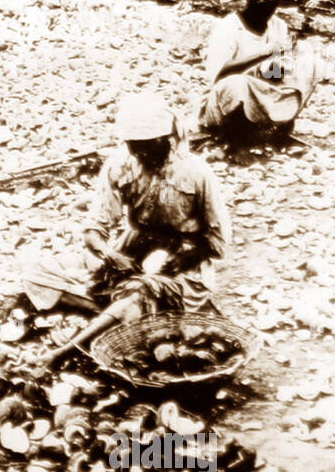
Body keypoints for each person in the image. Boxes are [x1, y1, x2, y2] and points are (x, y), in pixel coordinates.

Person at [23, 92, 231, 349]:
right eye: (133, 145)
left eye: (148, 144)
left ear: (164, 138)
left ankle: (122, 314)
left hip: (182, 258)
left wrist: (182, 259)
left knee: (143, 291)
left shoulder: (196, 172)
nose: (140, 152)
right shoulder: (120, 164)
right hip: (133, 246)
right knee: (37, 272)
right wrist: (110, 255)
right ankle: (123, 314)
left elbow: (218, 242)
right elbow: (94, 227)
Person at [198, 0, 318, 143]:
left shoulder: (278, 26)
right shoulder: (228, 27)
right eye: (264, 3)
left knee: (310, 64)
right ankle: (236, 137)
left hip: (261, 99)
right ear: (251, 1)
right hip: (222, 105)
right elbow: (218, 77)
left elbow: (272, 76)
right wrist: (265, 52)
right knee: (237, 83)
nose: (270, 8)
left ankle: (277, 126)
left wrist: (280, 68)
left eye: (273, 3)